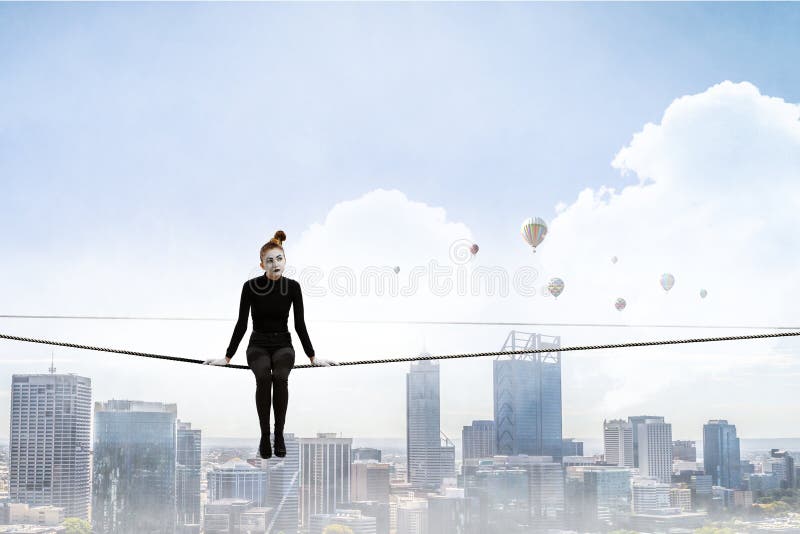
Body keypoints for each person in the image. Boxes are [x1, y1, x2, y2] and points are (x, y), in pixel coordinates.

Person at [204, 230, 336, 459]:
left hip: (284, 345)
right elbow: (241, 325)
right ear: (262, 264)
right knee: (264, 377)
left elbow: (300, 325)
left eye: (279, 259)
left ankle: (279, 435)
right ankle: (265, 436)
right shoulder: (250, 287)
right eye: (269, 260)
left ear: (285, 261)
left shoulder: (293, 287)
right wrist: (227, 358)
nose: (275, 264)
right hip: (258, 345)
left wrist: (313, 357)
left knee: (281, 378)